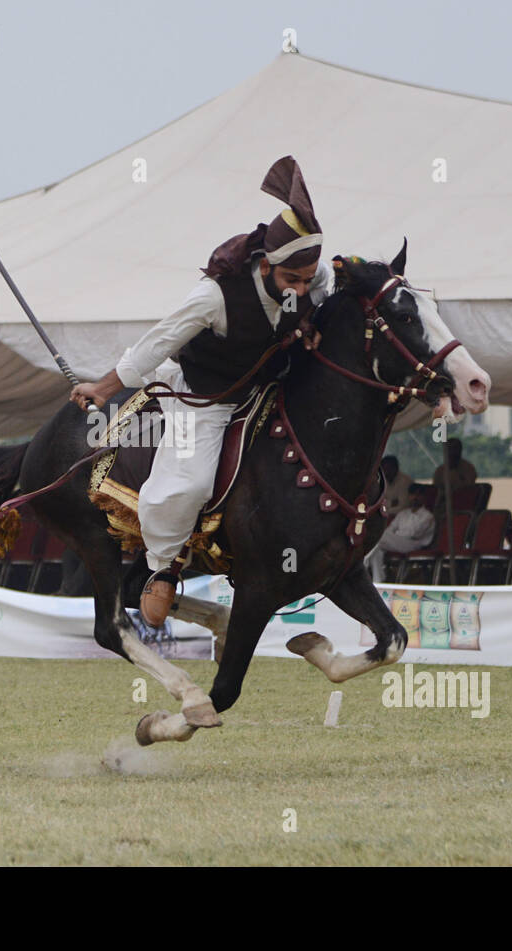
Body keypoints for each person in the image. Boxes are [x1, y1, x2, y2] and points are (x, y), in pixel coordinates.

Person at [68, 156, 331, 626]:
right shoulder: (214, 297)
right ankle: (163, 567)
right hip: (206, 397)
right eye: (292, 281)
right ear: (267, 264)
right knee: (184, 485)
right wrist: (101, 388)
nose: (300, 289)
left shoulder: (314, 278)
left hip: (272, 389)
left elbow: (328, 294)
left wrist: (312, 323)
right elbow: (154, 345)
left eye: (307, 282)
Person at [364, 484, 435, 583]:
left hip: (414, 544)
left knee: (379, 537)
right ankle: (378, 580)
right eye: (412, 494)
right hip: (398, 541)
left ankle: (362, 565)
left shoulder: (428, 516)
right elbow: (390, 529)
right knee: (378, 548)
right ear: (409, 496)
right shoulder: (403, 513)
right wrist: (393, 536)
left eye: (419, 495)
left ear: (424, 497)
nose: (415, 497)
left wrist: (395, 535)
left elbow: (413, 534)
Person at [431, 438, 477, 520]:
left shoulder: (468, 469)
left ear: (460, 451)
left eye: (455, 449)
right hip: (442, 507)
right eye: (449, 449)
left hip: (463, 506)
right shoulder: (440, 471)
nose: (452, 453)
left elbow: (468, 489)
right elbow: (435, 490)